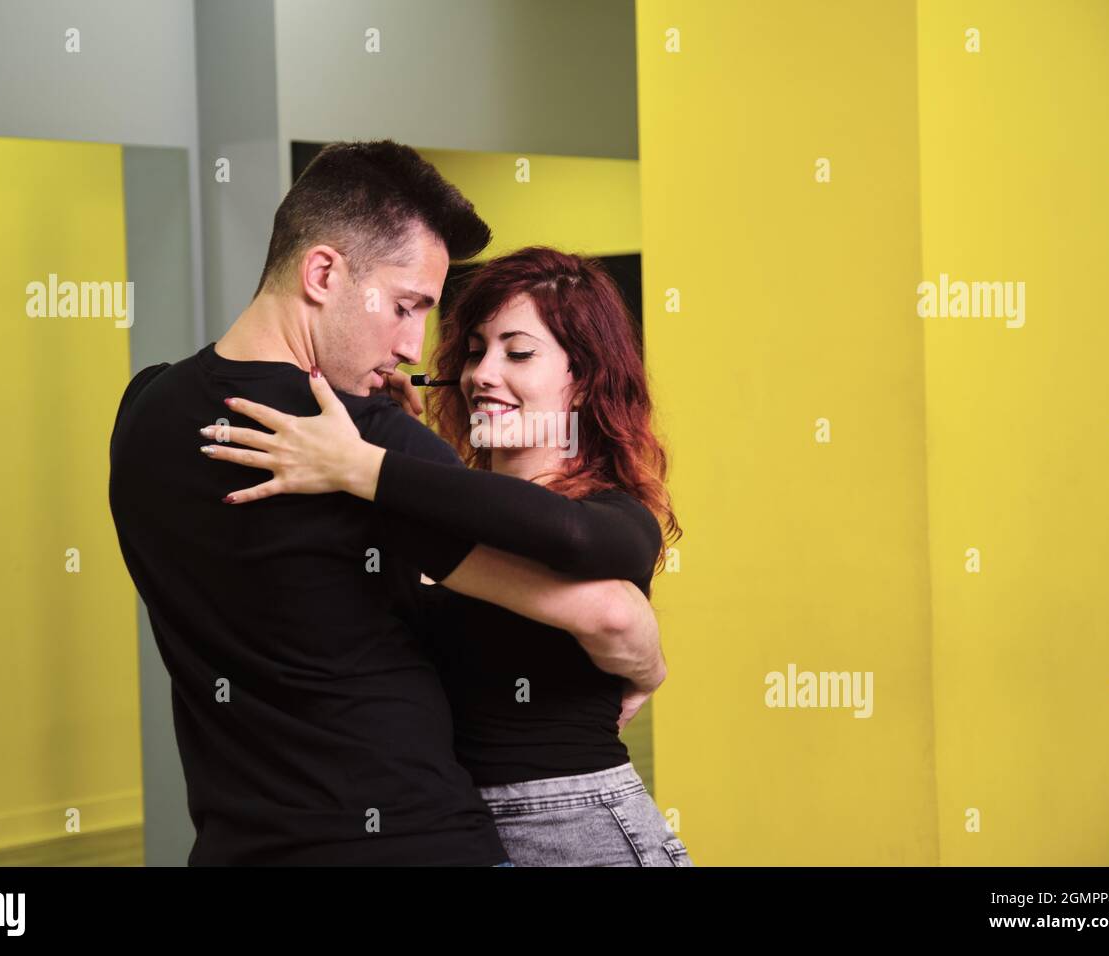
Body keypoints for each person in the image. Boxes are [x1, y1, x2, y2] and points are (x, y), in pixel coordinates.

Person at [108, 141, 664, 865]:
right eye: (407, 308)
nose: (412, 346)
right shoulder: (367, 440)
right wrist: (648, 664)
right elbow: (609, 607)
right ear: (323, 272)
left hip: (237, 844)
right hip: (408, 839)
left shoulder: (144, 408)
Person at [200, 246, 693, 866]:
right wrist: (394, 441)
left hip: (575, 822)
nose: (483, 373)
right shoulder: (439, 498)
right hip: (451, 827)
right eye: (475, 350)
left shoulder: (613, 511)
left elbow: (569, 538)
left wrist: (366, 465)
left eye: (518, 352)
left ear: (584, 378)